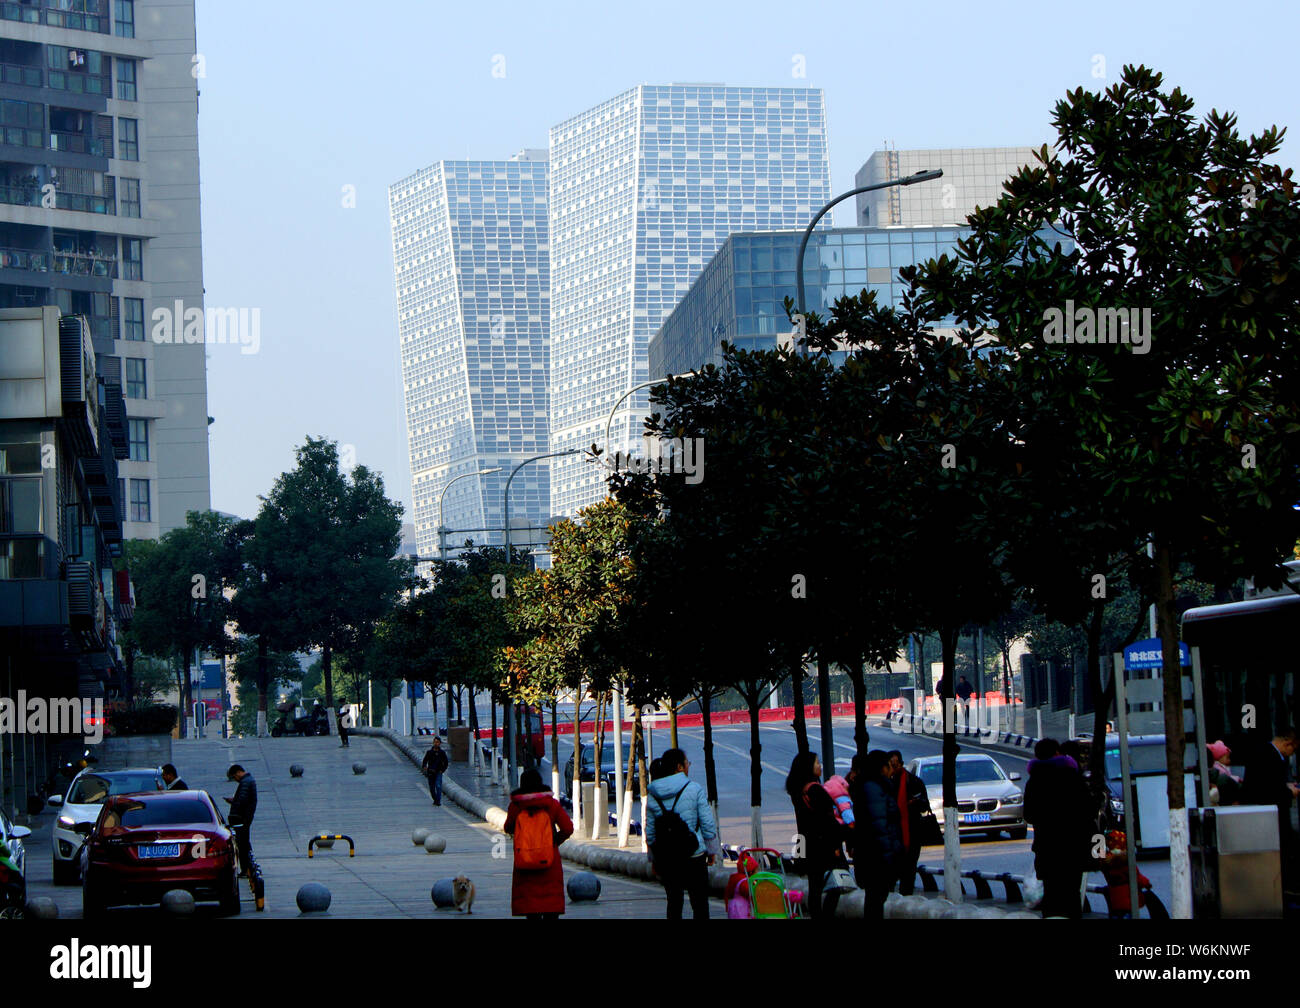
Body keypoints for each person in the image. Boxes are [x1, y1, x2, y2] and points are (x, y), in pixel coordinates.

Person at [1023, 738, 1093, 918]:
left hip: (1046, 849)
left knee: (1051, 894)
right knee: (1071, 893)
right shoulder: (1071, 777)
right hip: (1072, 848)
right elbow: (1087, 811)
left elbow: (1029, 815)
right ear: (1057, 753)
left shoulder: (1034, 781)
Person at [647, 748, 718, 920]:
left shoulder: (653, 794)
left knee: (673, 903)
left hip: (667, 858)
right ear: (679, 767)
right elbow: (708, 824)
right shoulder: (694, 789)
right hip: (694, 854)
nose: (688, 766)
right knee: (700, 904)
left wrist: (654, 859)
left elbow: (650, 833)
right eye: (687, 763)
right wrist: (711, 850)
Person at [503, 767, 573, 920]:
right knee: (550, 909)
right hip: (549, 861)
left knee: (531, 910)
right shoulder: (551, 804)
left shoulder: (516, 806)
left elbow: (507, 827)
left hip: (525, 861)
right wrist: (553, 842)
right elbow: (568, 828)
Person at [785, 751, 846, 919]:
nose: (820, 766)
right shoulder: (816, 790)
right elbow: (828, 821)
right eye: (817, 763)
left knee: (816, 888)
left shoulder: (799, 792)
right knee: (837, 885)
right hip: (824, 846)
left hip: (809, 845)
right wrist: (836, 846)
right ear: (808, 768)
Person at [847, 750, 904, 918]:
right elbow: (880, 825)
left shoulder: (874, 787)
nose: (891, 769)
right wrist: (891, 856)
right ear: (881, 768)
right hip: (876, 857)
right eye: (888, 765)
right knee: (875, 899)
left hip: (873, 855)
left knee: (876, 899)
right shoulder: (873, 789)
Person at [1243, 727, 1299, 890]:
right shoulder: (1272, 757)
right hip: (1269, 817)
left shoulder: (1263, 751)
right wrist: (1290, 792)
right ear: (1287, 744)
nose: (1291, 754)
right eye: (1293, 749)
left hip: (1264, 814)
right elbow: (1270, 790)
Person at [888, 750, 935, 895]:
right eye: (890, 766)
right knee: (891, 873)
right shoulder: (884, 784)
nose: (893, 769)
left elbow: (924, 805)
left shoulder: (914, 782)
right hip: (892, 836)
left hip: (911, 833)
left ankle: (906, 897)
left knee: (909, 871)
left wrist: (913, 803)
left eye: (895, 765)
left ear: (901, 764)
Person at [224, 765, 257, 874]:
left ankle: (245, 869)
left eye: (234, 777)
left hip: (242, 819)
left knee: (242, 845)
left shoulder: (245, 782)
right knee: (244, 843)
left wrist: (234, 802)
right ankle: (247, 868)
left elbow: (242, 801)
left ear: (238, 772)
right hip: (245, 818)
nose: (235, 780)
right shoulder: (248, 781)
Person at [1208, 740, 1242, 806]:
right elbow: (1226, 778)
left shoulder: (1222, 767)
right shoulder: (1218, 768)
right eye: (1227, 758)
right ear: (1219, 757)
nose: (1229, 760)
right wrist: (1236, 779)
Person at [421, 737, 450, 806]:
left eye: (437, 742)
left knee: (438, 785)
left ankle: (438, 801)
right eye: (435, 742)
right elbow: (425, 761)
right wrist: (424, 767)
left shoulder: (442, 753)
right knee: (432, 788)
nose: (436, 743)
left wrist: (442, 770)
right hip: (431, 772)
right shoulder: (429, 752)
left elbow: (446, 763)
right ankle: (435, 799)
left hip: (438, 772)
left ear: (440, 743)